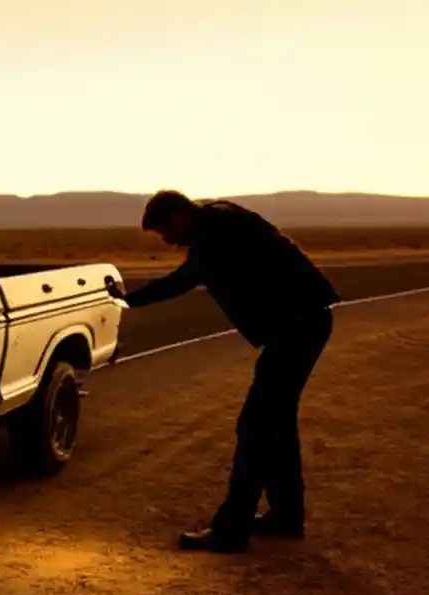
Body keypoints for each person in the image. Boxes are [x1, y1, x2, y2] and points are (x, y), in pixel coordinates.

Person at [121, 190, 340, 553]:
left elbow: (184, 280)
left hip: (296, 327)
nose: (169, 242)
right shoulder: (221, 221)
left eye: (165, 233)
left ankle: (231, 530)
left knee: (255, 427)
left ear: (177, 217)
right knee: (276, 424)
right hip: (302, 324)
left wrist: (128, 300)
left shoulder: (215, 228)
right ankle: (286, 515)